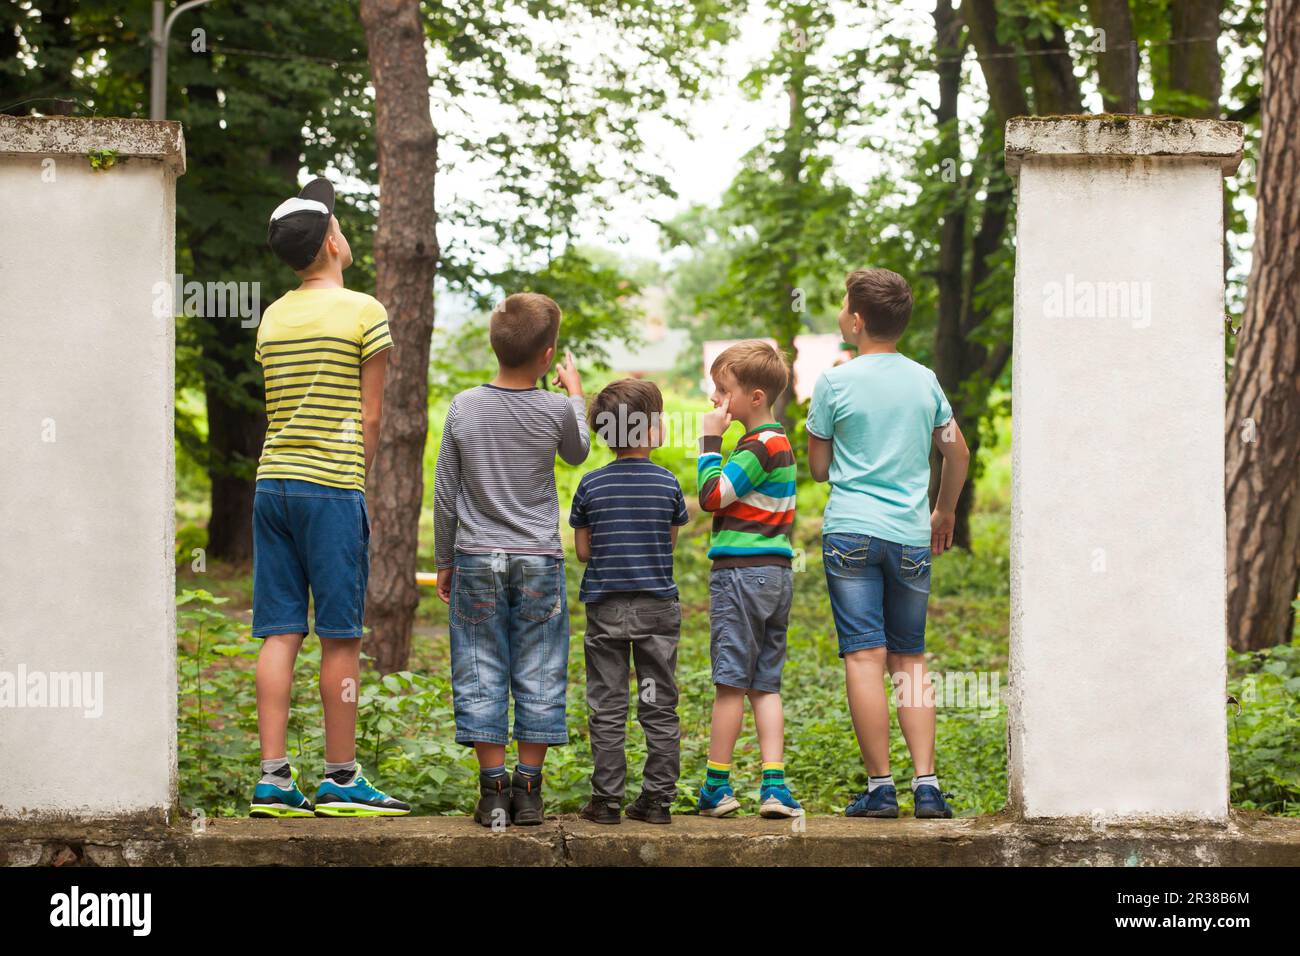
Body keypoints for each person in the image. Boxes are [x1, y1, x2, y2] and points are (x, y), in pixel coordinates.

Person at [250, 177, 409, 817]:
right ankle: (341, 778)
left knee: (280, 631)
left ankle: (273, 780)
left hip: (271, 485)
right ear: (335, 242)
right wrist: (357, 477)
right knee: (340, 636)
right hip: (331, 489)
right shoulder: (364, 311)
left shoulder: (273, 316)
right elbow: (371, 418)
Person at [807, 267, 971, 820]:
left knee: (864, 657)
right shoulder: (925, 380)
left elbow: (819, 468)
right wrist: (943, 511)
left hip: (851, 532)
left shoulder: (835, 383)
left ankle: (882, 788)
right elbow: (957, 454)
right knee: (910, 659)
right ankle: (928, 786)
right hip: (908, 536)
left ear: (856, 320)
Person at [433, 292, 589, 827]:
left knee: (480, 669)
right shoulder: (552, 408)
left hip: (476, 557)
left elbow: (445, 489)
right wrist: (574, 396)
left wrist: (444, 559)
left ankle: (492, 790)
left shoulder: (463, 406)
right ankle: (529, 792)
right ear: (548, 355)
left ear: (494, 345)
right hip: (538, 559)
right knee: (540, 669)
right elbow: (578, 452)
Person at [572, 379, 690, 825]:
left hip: (605, 608)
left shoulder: (591, 485)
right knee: (659, 703)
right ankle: (658, 801)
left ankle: (606, 801)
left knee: (607, 704)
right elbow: (670, 543)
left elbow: (583, 552)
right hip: (658, 607)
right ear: (649, 429)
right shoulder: (667, 483)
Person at [695, 341, 802, 819]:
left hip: (741, 575)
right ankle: (774, 787)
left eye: (724, 391)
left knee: (729, 684)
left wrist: (709, 441)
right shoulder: (779, 443)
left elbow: (712, 496)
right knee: (765, 685)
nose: (718, 400)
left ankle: (717, 784)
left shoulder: (758, 446)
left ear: (755, 397)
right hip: (776, 576)